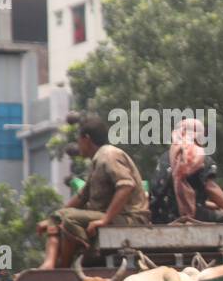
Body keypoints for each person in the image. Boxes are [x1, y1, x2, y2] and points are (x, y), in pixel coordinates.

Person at [37, 114, 150, 268]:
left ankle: (61, 267)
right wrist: (52, 219)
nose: (78, 145)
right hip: (113, 216)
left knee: (69, 219)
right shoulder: (97, 161)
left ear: (86, 139)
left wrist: (105, 220)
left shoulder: (109, 155)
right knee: (61, 216)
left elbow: (126, 186)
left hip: (128, 217)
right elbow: (82, 197)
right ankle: (54, 264)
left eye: (78, 140)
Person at [148, 117, 223, 235]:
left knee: (218, 211)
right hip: (183, 217)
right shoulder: (195, 154)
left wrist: (210, 204)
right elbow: (210, 188)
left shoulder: (165, 158)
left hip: (160, 219)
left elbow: (172, 193)